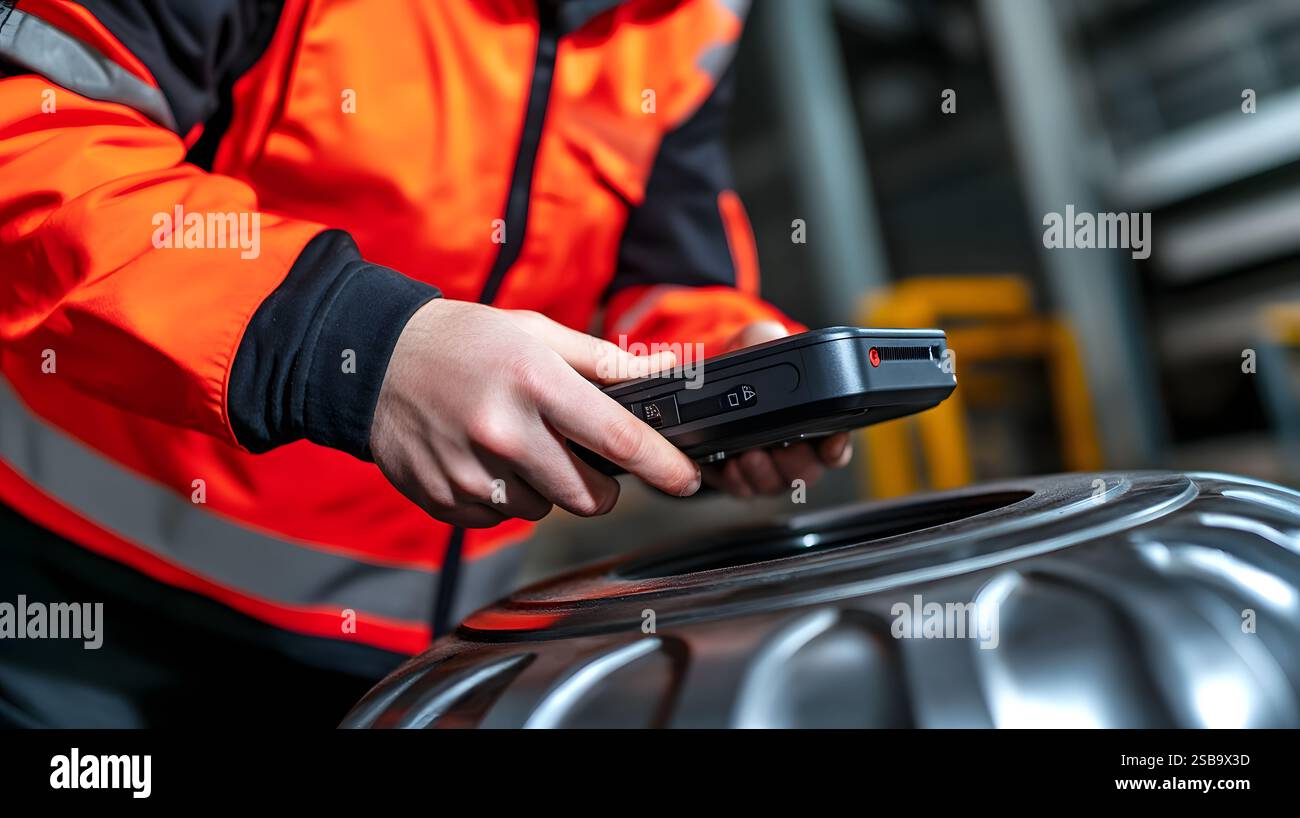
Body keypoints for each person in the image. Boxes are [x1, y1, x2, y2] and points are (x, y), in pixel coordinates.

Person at [0, 0, 851, 726]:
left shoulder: (694, 12)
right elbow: (37, 146)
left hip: (419, 655)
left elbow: (656, 268)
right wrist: (358, 349)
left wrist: (725, 362)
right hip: (82, 611)